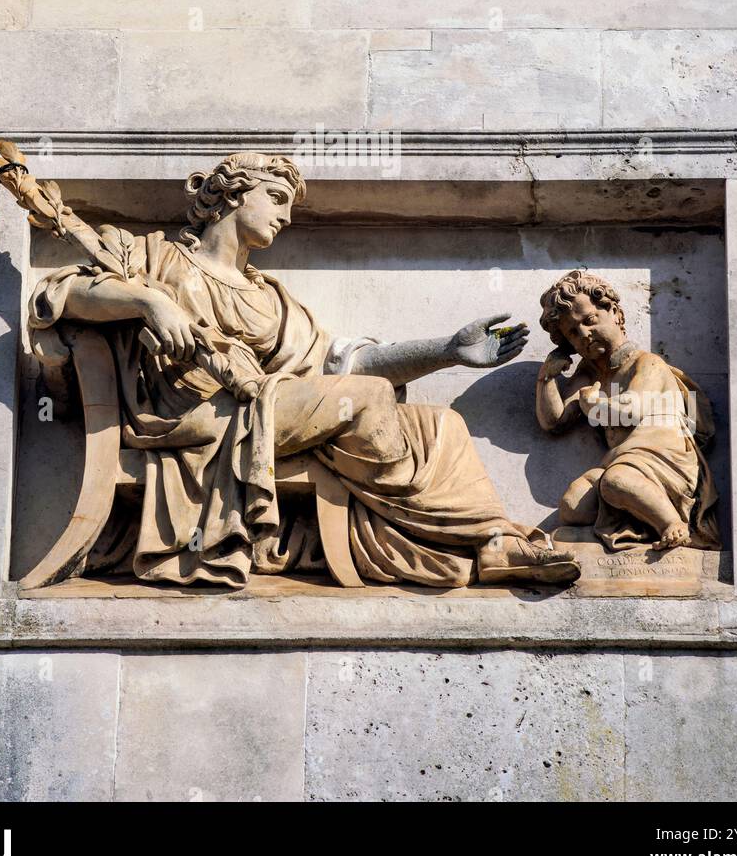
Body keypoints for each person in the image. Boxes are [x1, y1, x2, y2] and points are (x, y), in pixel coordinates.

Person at [29, 151, 580, 590]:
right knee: (363, 400)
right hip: (197, 415)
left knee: (438, 424)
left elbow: (346, 365)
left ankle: (493, 545)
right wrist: (149, 303)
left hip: (267, 404)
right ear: (232, 194)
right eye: (275, 198)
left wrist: (449, 349)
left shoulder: (272, 298)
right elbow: (62, 293)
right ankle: (455, 538)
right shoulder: (154, 257)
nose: (286, 215)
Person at [535, 269, 719, 552]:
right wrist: (547, 378)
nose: (584, 333)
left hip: (661, 457)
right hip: (622, 459)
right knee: (573, 506)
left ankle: (672, 525)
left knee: (616, 481)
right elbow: (555, 421)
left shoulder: (646, 363)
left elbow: (632, 411)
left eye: (590, 320)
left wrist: (593, 405)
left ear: (615, 314)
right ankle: (634, 524)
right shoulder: (591, 372)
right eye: (573, 332)